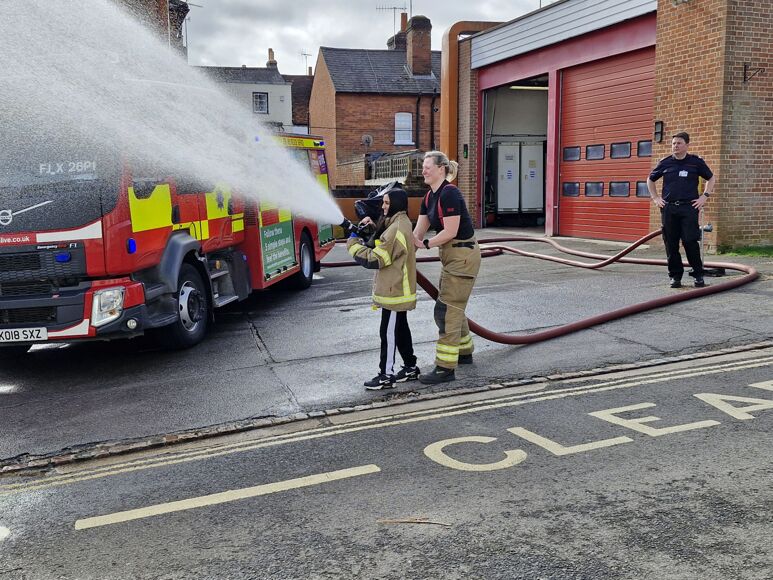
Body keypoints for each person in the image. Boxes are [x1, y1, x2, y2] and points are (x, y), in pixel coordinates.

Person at [412, 150, 481, 384]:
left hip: (462, 255)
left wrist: (426, 244)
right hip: (451, 256)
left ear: (441, 169)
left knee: (447, 310)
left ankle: (445, 368)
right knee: (453, 305)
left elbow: (450, 231)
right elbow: (417, 232)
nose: (423, 170)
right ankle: (464, 352)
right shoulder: (429, 197)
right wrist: (403, 250)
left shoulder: (449, 194)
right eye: (423, 166)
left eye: (427, 166)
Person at [346, 188, 420, 390]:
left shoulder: (396, 228)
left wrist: (353, 243)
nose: (383, 206)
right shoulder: (398, 222)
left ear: (396, 203)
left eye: (387, 203)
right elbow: (383, 239)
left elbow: (377, 258)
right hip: (396, 288)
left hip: (394, 290)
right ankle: (411, 366)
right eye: (383, 203)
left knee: (387, 333)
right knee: (400, 329)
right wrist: (371, 228)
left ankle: (386, 375)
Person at [647, 131, 716, 288]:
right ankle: (675, 276)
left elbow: (711, 178)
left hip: (689, 208)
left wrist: (704, 196)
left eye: (678, 143)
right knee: (671, 243)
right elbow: (650, 180)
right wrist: (656, 198)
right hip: (669, 208)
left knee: (690, 241)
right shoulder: (665, 163)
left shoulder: (695, 162)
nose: (675, 146)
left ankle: (698, 274)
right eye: (673, 143)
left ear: (686, 145)